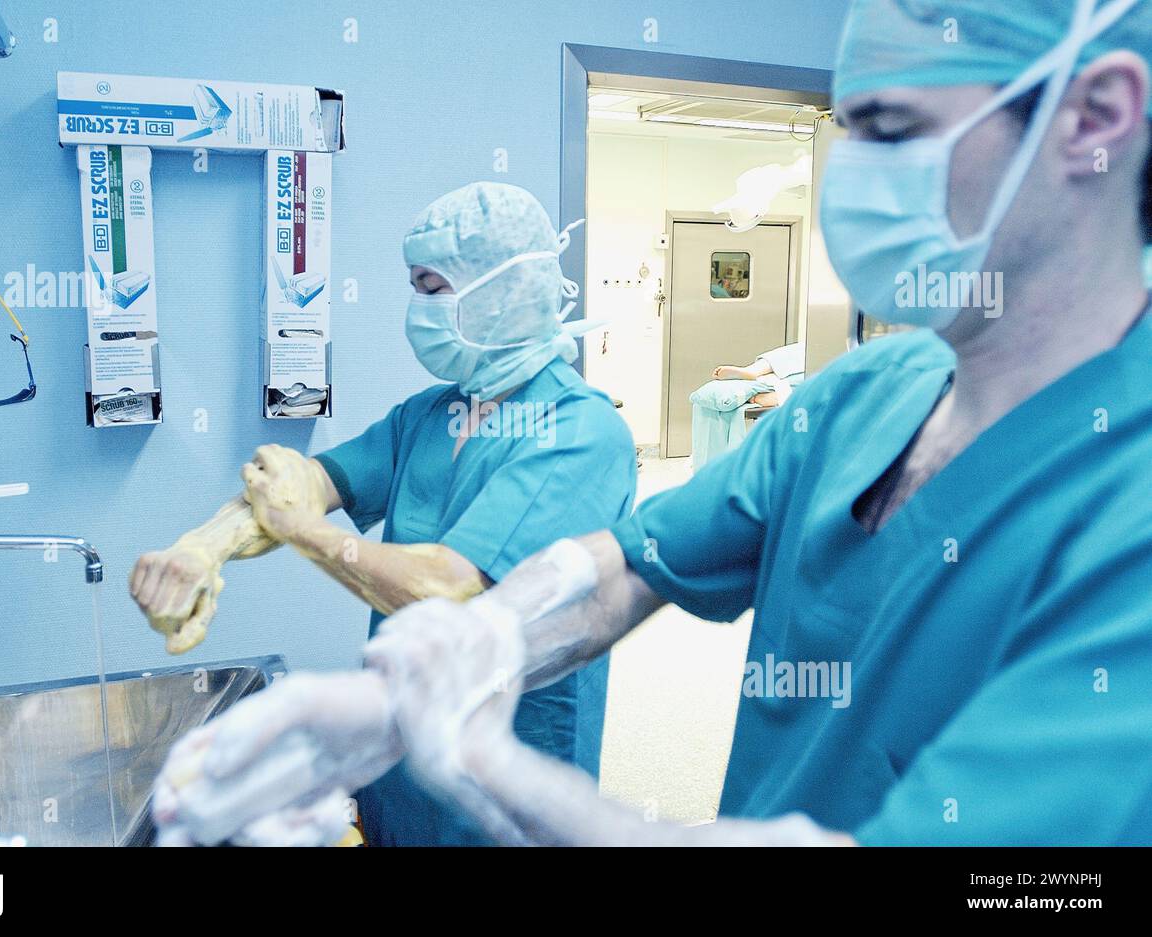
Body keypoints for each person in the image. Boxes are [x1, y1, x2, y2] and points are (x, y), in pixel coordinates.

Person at [153, 0, 1152, 846]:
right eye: (842, 130)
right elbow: (633, 559)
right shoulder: (868, 390)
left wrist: (500, 777)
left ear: (1094, 118)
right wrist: (423, 684)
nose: (844, 176)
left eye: (890, 130)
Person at [132, 181, 636, 846]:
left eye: (433, 286)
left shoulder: (582, 432)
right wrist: (201, 547)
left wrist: (303, 531)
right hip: (398, 766)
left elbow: (449, 585)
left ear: (502, 288)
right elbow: (305, 482)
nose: (416, 308)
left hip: (507, 782)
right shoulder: (428, 414)